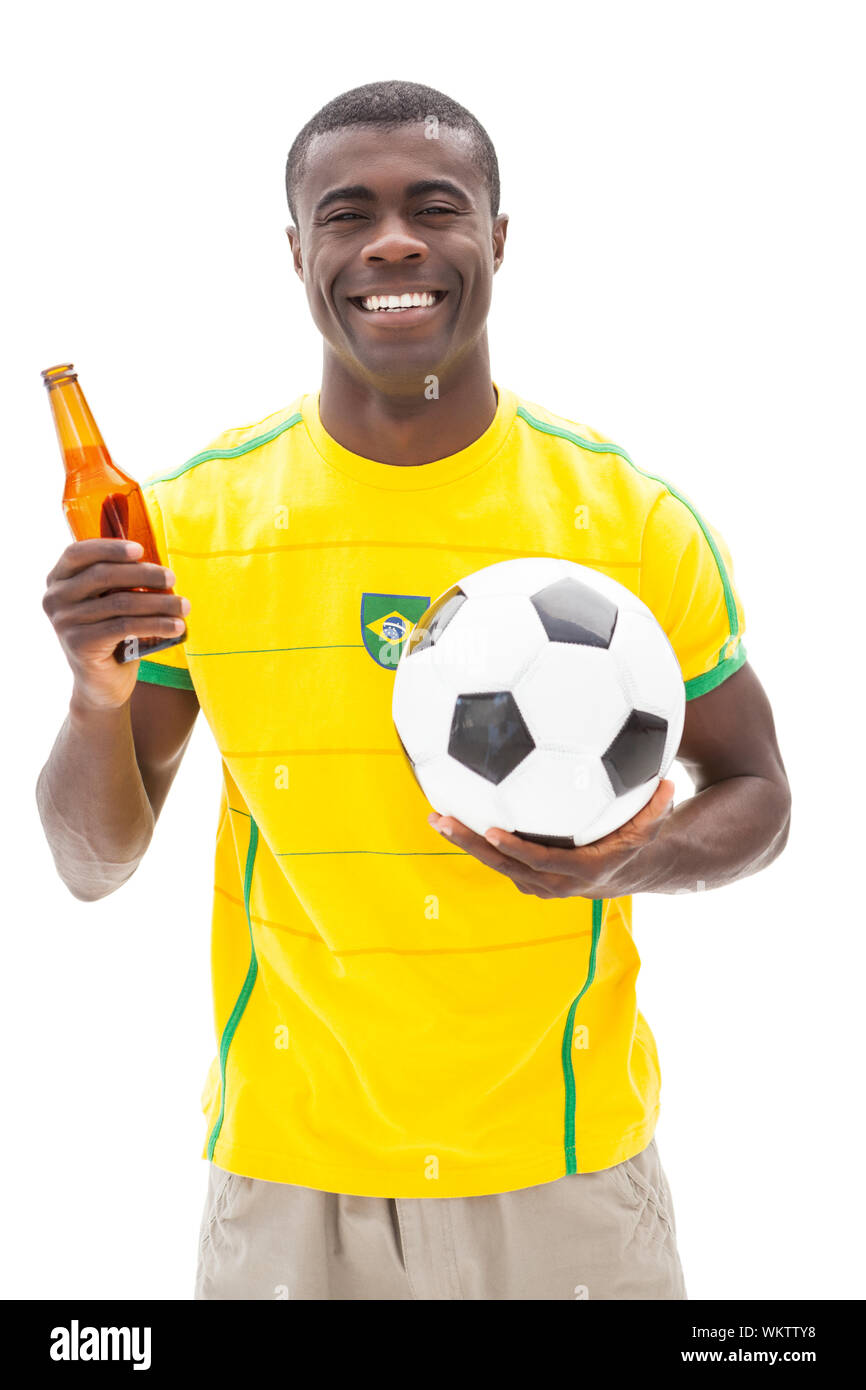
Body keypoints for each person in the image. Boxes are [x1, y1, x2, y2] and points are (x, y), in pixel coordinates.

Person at [36, 80, 791, 1302]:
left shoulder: (628, 521)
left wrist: (620, 863)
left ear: (494, 239)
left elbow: (758, 790)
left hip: (565, 1169)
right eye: (347, 214)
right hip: (290, 1178)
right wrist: (92, 697)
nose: (393, 240)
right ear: (297, 254)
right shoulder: (195, 527)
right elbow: (93, 865)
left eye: (434, 207)